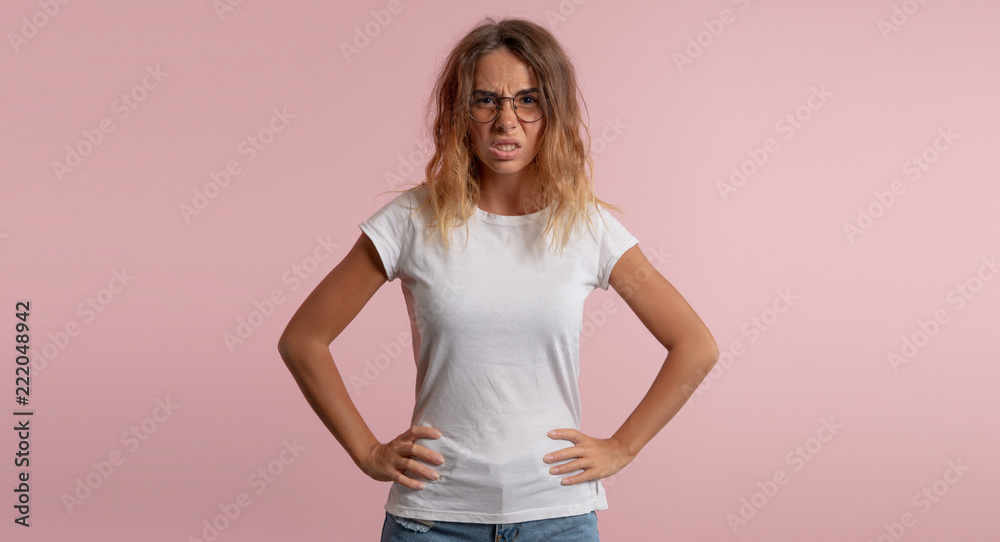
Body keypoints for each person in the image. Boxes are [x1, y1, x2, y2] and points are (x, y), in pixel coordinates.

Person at [277, 16, 719, 542]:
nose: (506, 121)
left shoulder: (586, 228)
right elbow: (304, 340)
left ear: (553, 112)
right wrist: (368, 451)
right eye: (485, 100)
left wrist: (623, 448)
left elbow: (695, 346)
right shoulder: (411, 221)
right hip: (433, 520)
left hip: (557, 518)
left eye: (528, 100)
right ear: (459, 112)